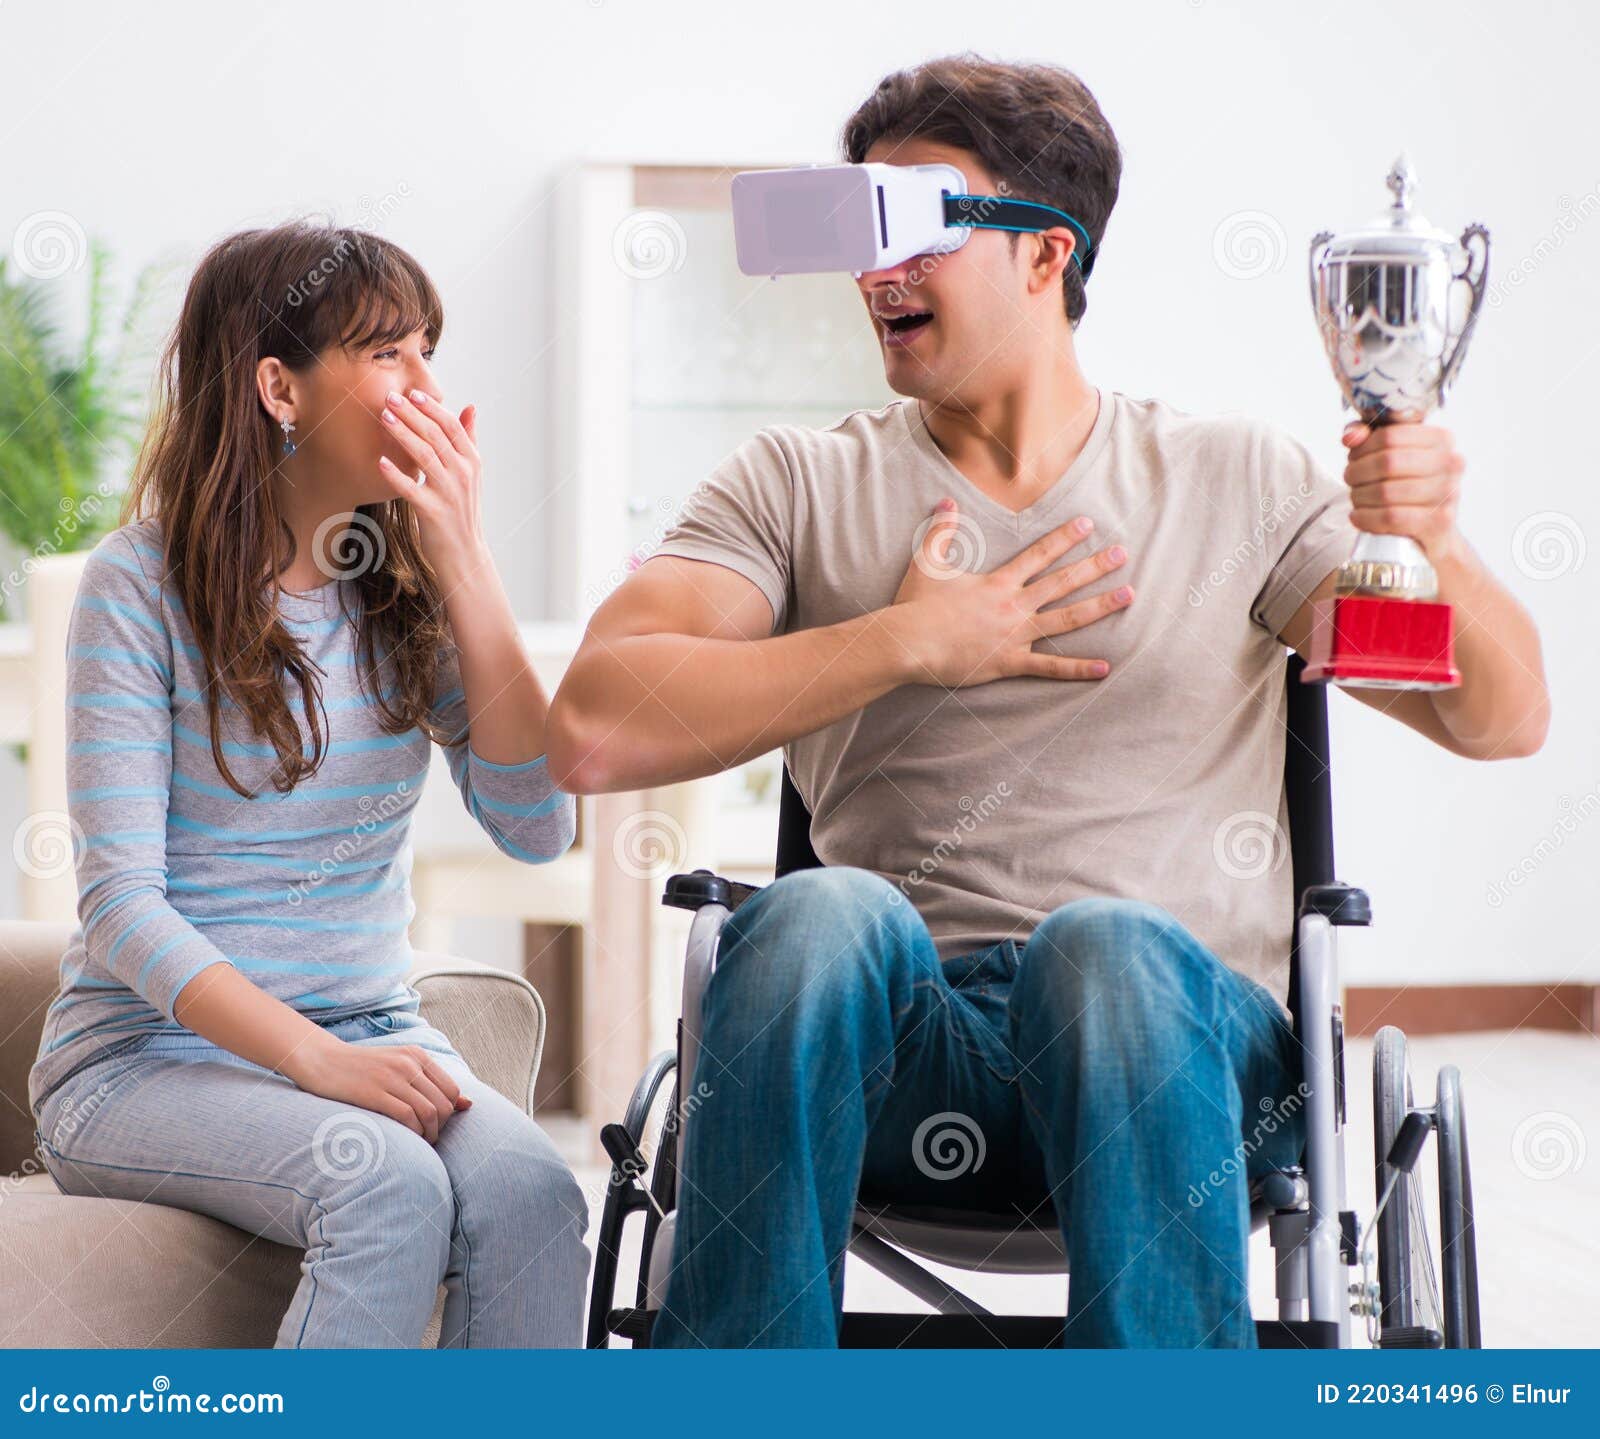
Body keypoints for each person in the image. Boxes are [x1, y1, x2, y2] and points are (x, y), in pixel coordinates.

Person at [547, 54, 1549, 1348]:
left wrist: (1434, 543)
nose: (873, 270)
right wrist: (905, 639)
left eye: (911, 224)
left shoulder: (1234, 483)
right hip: (907, 1055)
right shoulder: (792, 485)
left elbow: (1498, 717)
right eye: (857, 227)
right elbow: (594, 724)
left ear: (1042, 254)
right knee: (808, 913)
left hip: (1180, 1055)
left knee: (1103, 948)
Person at [28, 221, 589, 1348]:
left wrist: (467, 561)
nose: (428, 386)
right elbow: (124, 908)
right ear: (279, 387)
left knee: (537, 1193)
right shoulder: (137, 587)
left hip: (373, 1024)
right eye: (390, 354)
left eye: (431, 348)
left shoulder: (403, 582)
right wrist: (316, 1060)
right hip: (142, 1062)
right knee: (384, 1180)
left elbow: (537, 827)